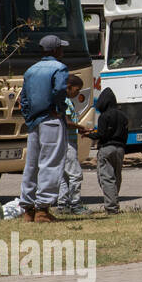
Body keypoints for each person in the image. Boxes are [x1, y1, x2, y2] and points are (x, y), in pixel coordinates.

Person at [17, 34, 71, 223]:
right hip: (50, 119)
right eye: (61, 48)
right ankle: (43, 209)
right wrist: (59, 110)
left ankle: (27, 210)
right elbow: (59, 91)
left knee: (31, 164)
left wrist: (29, 116)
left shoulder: (31, 70)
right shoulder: (59, 68)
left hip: (33, 122)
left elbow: (22, 98)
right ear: (55, 50)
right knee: (51, 162)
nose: (63, 51)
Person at [85, 87, 128, 214]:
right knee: (116, 176)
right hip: (120, 149)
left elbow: (102, 135)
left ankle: (111, 207)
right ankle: (113, 202)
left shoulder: (104, 116)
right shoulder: (123, 115)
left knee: (106, 178)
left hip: (106, 148)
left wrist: (89, 134)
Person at [54, 75, 89, 215]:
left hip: (64, 141)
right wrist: (81, 126)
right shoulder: (64, 101)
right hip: (67, 142)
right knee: (76, 174)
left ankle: (63, 204)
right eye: (77, 89)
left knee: (64, 175)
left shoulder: (65, 100)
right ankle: (75, 204)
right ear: (68, 87)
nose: (78, 93)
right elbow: (66, 122)